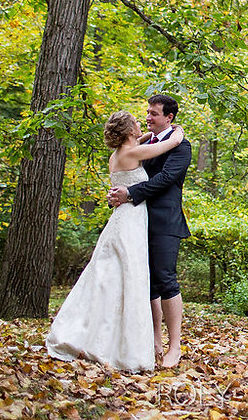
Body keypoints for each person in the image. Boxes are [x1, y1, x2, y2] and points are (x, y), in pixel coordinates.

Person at [45, 110, 184, 372]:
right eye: (136, 122)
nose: (141, 123)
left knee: (111, 277)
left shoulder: (121, 151)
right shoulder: (132, 153)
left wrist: (146, 134)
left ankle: (110, 334)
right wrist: (178, 133)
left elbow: (143, 139)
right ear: (129, 131)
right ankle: (122, 343)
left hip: (123, 217)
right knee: (129, 276)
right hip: (130, 220)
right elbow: (170, 144)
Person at [108, 94, 192, 368]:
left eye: (154, 113)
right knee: (147, 283)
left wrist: (129, 193)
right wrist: (121, 194)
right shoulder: (142, 143)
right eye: (147, 112)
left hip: (164, 222)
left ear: (169, 118)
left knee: (166, 279)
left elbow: (166, 180)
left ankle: (174, 346)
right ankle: (154, 340)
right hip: (137, 221)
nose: (148, 117)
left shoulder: (181, 147)